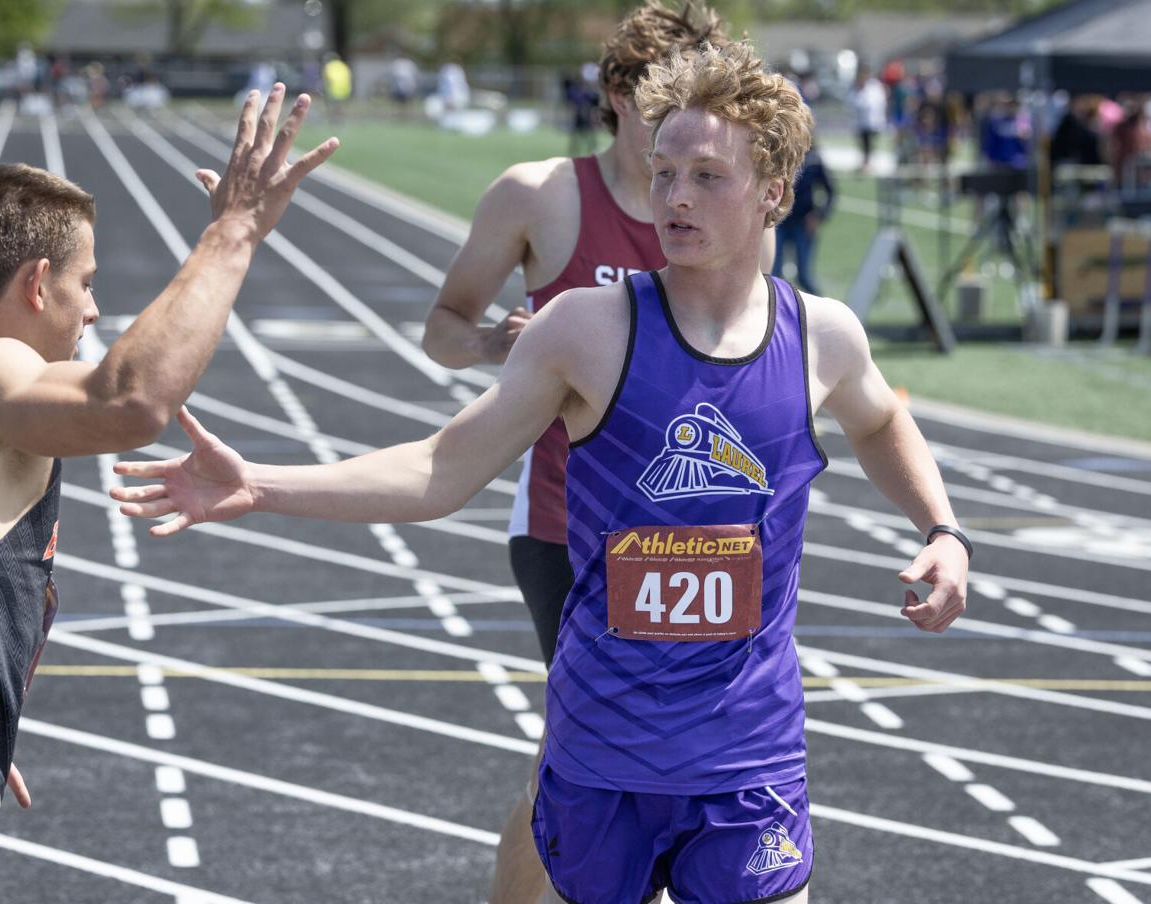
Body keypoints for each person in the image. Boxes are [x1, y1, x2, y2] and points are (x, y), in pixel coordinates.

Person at [114, 40, 971, 904]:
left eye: (707, 176)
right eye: (664, 171)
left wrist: (940, 530)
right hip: (601, 755)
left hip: (749, 758)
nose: (674, 196)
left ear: (774, 192)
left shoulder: (822, 337)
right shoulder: (585, 329)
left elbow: (880, 420)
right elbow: (440, 469)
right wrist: (259, 485)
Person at [0, 86, 336, 902]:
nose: (93, 309)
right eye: (86, 283)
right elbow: (127, 403)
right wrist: (233, 231)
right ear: (37, 283)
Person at [419, 3, 769, 899]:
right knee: (585, 758)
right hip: (564, 526)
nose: (683, 126)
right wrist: (500, 345)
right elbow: (442, 326)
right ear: (616, 95)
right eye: (663, 104)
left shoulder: (721, 206)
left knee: (655, 759)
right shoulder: (539, 196)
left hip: (687, 536)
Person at [772, 143, 835, 295]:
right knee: (774, 274)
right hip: (780, 222)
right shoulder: (780, 154)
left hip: (802, 223)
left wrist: (818, 215)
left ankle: (820, 307)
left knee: (804, 276)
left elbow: (830, 191)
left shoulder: (814, 160)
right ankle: (776, 309)